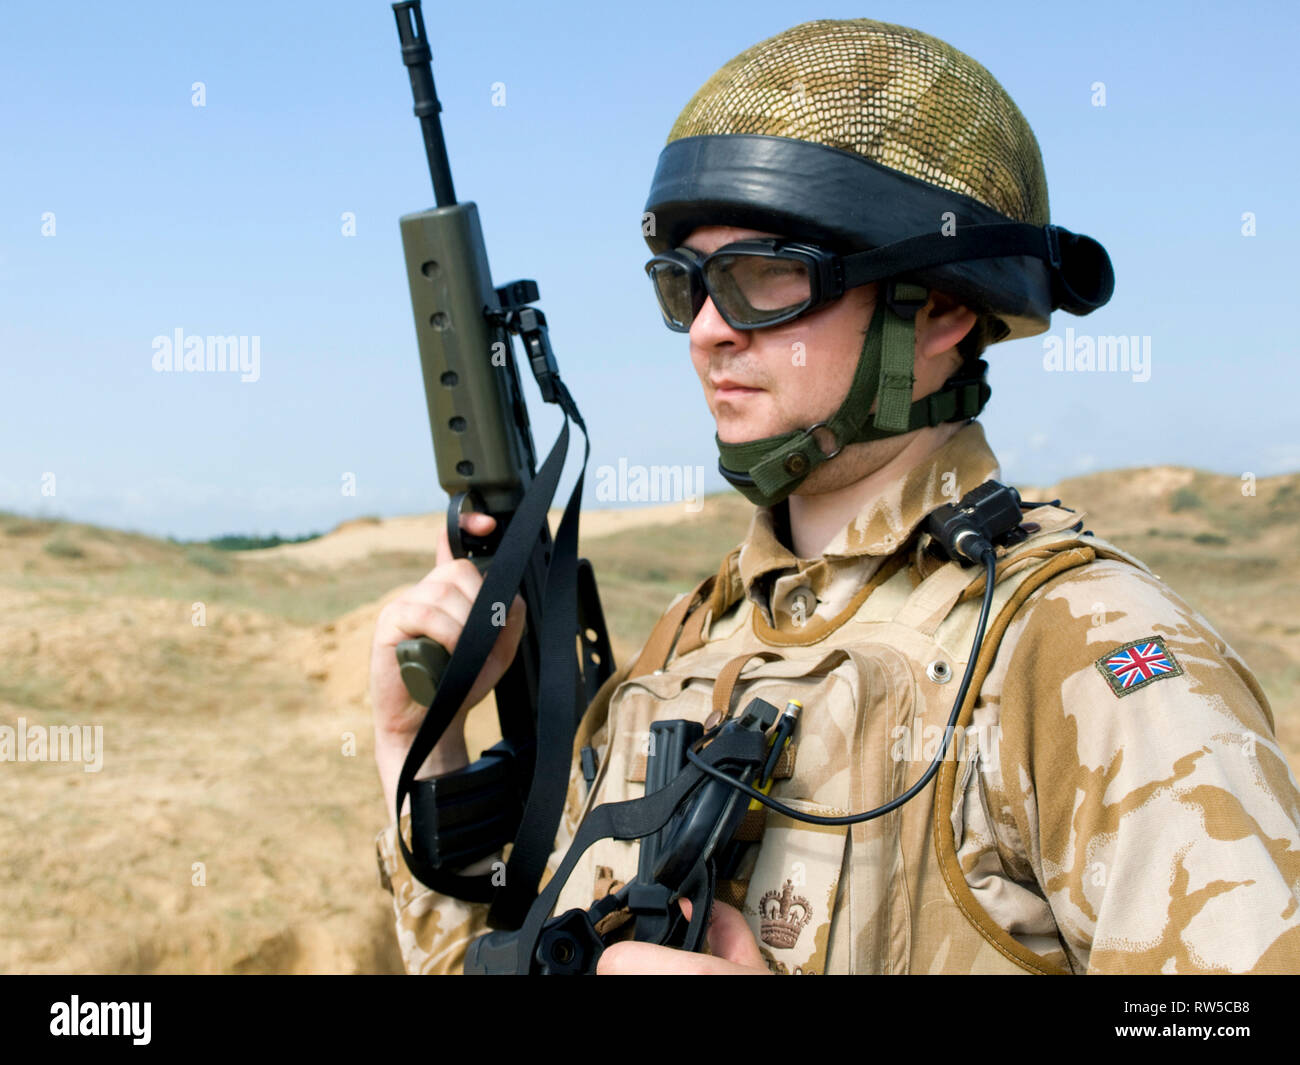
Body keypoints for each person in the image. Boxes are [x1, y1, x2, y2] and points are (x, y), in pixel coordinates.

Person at [369, 19, 1300, 974]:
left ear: (939, 308)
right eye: (685, 286)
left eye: (764, 279)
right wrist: (422, 748)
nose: (706, 333)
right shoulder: (689, 648)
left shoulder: (1081, 652)